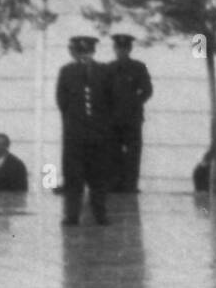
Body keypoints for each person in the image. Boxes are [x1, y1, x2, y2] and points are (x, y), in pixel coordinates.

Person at [56, 35, 112, 225]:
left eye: (87, 53)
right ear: (76, 53)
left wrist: (102, 126)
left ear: (93, 52)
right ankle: (72, 215)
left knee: (99, 178)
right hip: (75, 136)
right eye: (81, 53)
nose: (84, 57)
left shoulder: (104, 71)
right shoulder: (67, 72)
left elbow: (111, 100)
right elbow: (62, 101)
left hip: (98, 135)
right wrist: (75, 123)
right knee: (73, 177)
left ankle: (100, 214)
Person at [108, 34, 153, 194]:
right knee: (114, 152)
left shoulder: (139, 67)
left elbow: (147, 90)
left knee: (133, 153)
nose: (122, 51)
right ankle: (115, 184)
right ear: (114, 49)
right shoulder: (108, 68)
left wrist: (133, 102)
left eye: (125, 49)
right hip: (112, 119)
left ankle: (130, 185)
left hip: (132, 118)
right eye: (119, 48)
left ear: (130, 49)